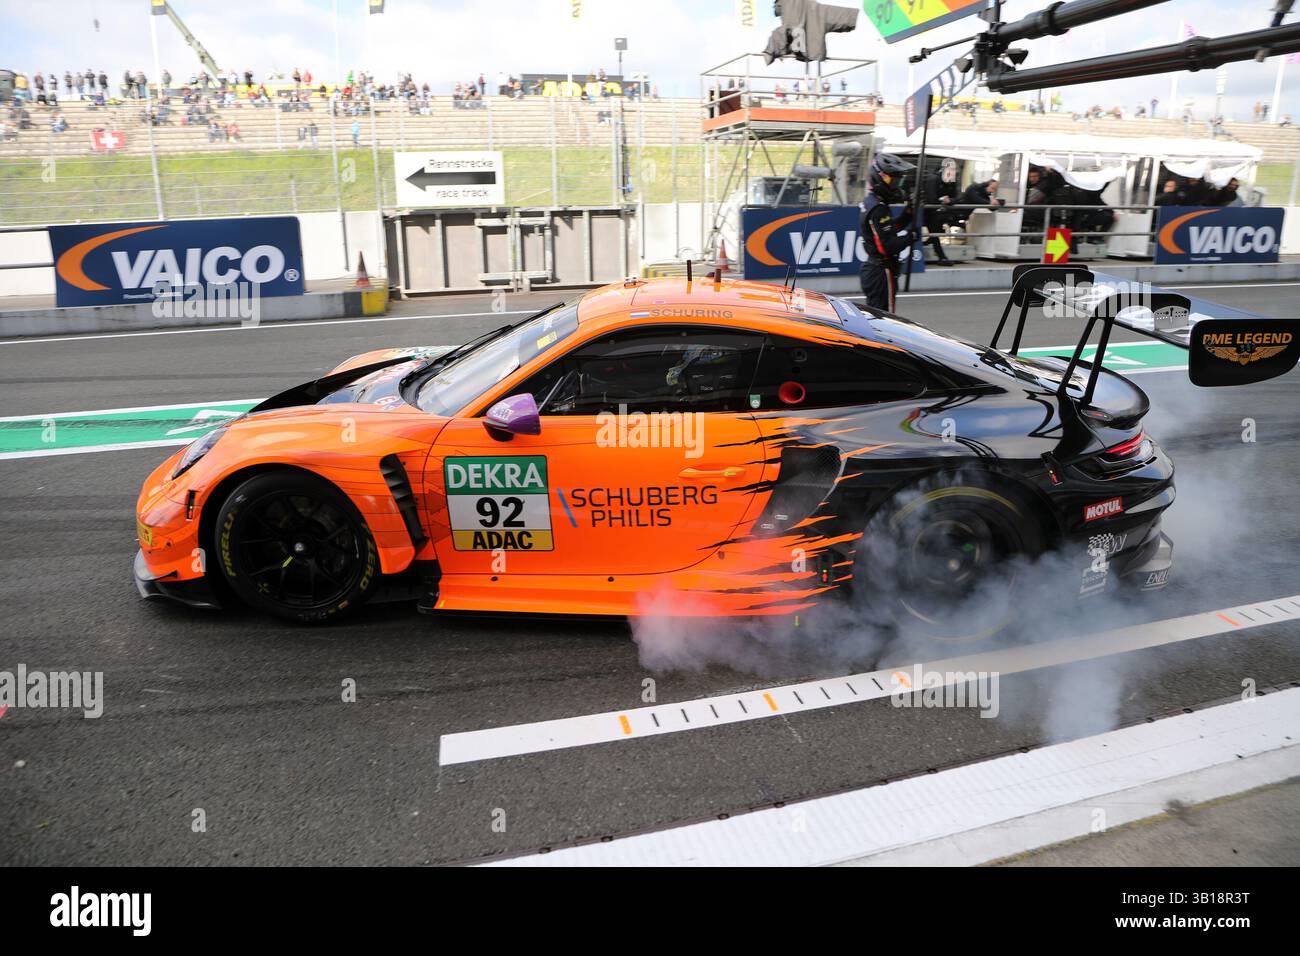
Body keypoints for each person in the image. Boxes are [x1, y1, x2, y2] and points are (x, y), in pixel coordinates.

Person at [859, 153, 917, 312]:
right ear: (880, 177)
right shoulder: (878, 208)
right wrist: (910, 237)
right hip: (881, 272)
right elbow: (888, 246)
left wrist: (907, 214)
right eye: (893, 180)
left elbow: (888, 230)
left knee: (875, 319)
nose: (896, 185)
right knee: (885, 321)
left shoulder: (872, 202)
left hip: (874, 269)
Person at [922, 158, 959, 266]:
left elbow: (956, 197)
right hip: (927, 211)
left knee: (935, 233)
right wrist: (943, 200)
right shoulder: (933, 179)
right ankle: (942, 257)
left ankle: (937, 253)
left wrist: (950, 200)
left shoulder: (951, 181)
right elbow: (931, 198)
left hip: (939, 212)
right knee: (934, 232)